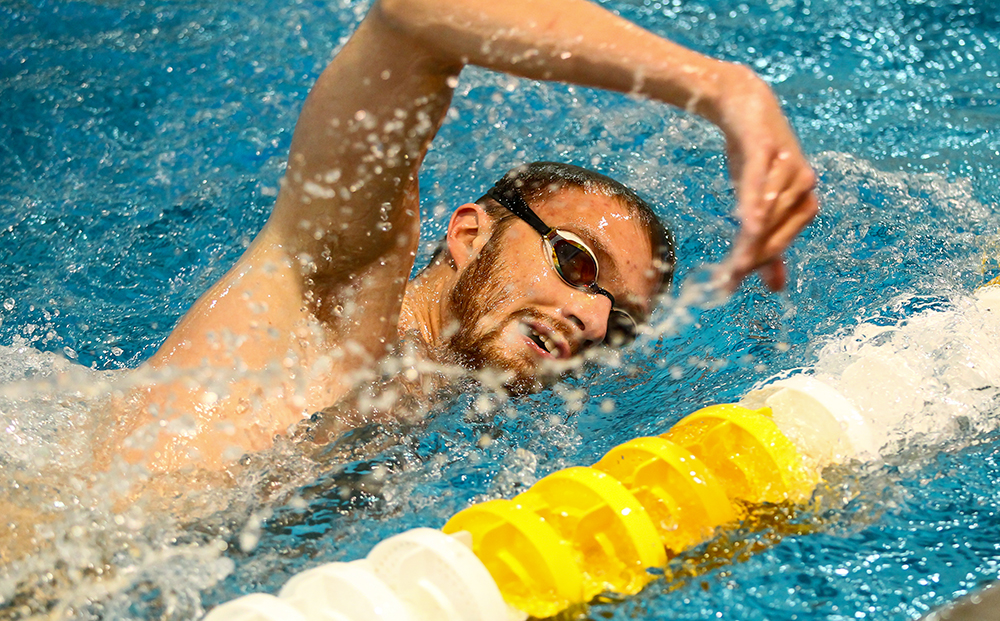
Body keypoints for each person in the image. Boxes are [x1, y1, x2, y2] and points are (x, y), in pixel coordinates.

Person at [100, 0, 818, 474]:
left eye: (620, 322)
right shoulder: (335, 302)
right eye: (576, 262)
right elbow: (411, 17)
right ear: (471, 234)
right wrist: (727, 89)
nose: (595, 321)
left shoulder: (437, 422)